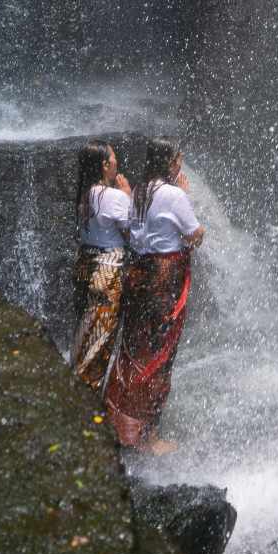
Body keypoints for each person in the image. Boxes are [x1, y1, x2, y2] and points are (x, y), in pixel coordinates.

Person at [105, 136, 205, 454]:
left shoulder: (139, 192)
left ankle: (121, 425)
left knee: (134, 350)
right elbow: (195, 236)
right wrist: (185, 197)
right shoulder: (174, 195)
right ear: (171, 163)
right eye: (178, 159)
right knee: (160, 355)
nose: (180, 164)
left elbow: (134, 237)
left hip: (140, 273)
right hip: (166, 278)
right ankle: (148, 436)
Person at [71, 139, 131, 396]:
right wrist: (128, 196)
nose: (118, 162)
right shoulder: (113, 197)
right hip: (107, 269)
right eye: (114, 159)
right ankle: (83, 402)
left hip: (84, 265)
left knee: (84, 334)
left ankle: (76, 390)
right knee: (99, 341)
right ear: (105, 165)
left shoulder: (84, 193)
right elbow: (136, 232)